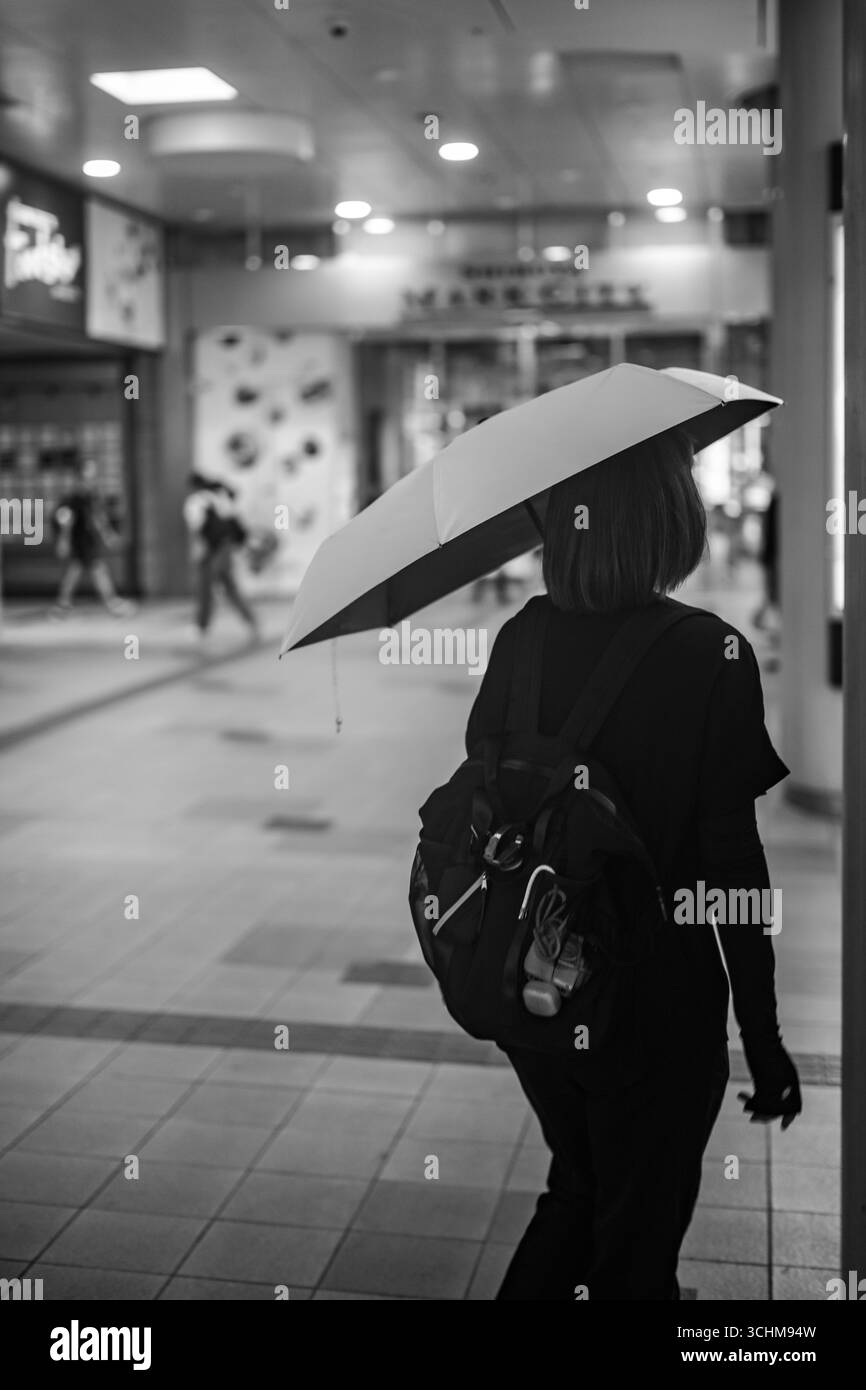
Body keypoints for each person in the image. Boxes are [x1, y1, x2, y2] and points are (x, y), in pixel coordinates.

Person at [464, 427, 801, 1301]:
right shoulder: (709, 654)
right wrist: (761, 1037)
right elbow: (733, 871)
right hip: (658, 1005)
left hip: (537, 988)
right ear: (669, 520)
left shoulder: (521, 640)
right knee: (637, 1240)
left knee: (578, 1188)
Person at [51, 459, 134, 616]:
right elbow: (67, 521)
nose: (93, 476)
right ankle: (112, 603)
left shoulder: (90, 495)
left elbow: (98, 518)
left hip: (87, 540)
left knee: (76, 571)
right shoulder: (75, 498)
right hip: (81, 541)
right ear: (81, 475)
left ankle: (62, 605)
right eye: (89, 472)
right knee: (97, 570)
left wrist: (107, 535)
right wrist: (64, 541)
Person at [183, 472, 259, 641]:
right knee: (228, 585)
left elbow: (197, 528)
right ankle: (251, 621)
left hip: (211, 548)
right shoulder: (217, 496)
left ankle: (201, 627)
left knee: (205, 586)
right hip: (225, 547)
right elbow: (232, 520)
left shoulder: (196, 501)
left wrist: (199, 551)